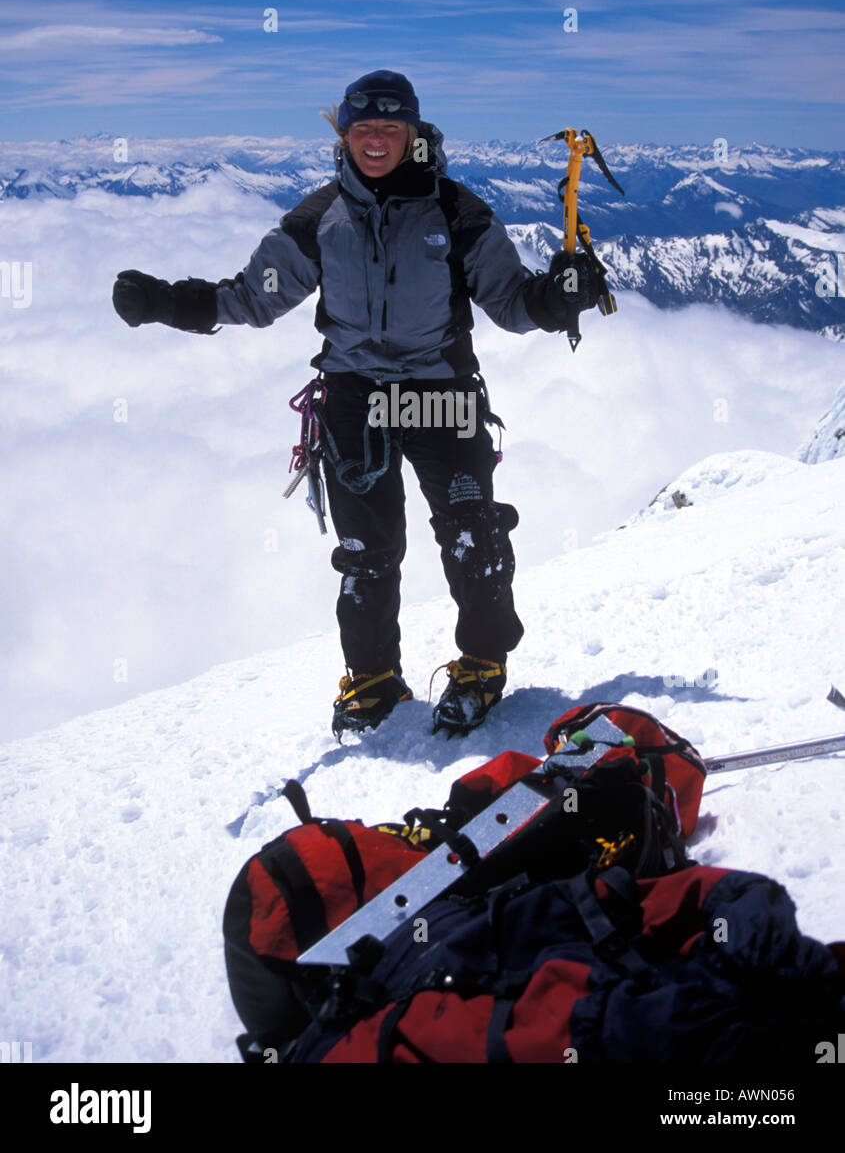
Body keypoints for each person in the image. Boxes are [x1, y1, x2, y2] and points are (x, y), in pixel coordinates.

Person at [112, 70, 602, 739]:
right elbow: (252, 297)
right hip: (354, 400)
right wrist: (166, 302)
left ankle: (482, 665)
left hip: (438, 394)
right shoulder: (319, 220)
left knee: (470, 534)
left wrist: (557, 297)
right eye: (363, 128)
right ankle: (372, 681)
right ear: (342, 134)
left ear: (412, 134)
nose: (376, 139)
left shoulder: (457, 213)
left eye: (389, 128)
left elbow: (513, 302)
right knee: (363, 552)